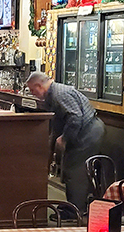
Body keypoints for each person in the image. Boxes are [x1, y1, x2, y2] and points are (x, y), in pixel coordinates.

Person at [25, 71, 105, 213]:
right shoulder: (53, 94)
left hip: (88, 131)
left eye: (32, 90)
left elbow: (75, 118)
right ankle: (75, 204)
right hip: (86, 129)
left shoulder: (59, 94)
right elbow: (58, 124)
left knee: (75, 169)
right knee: (73, 167)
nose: (33, 94)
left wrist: (65, 139)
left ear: (39, 85)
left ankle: (75, 211)